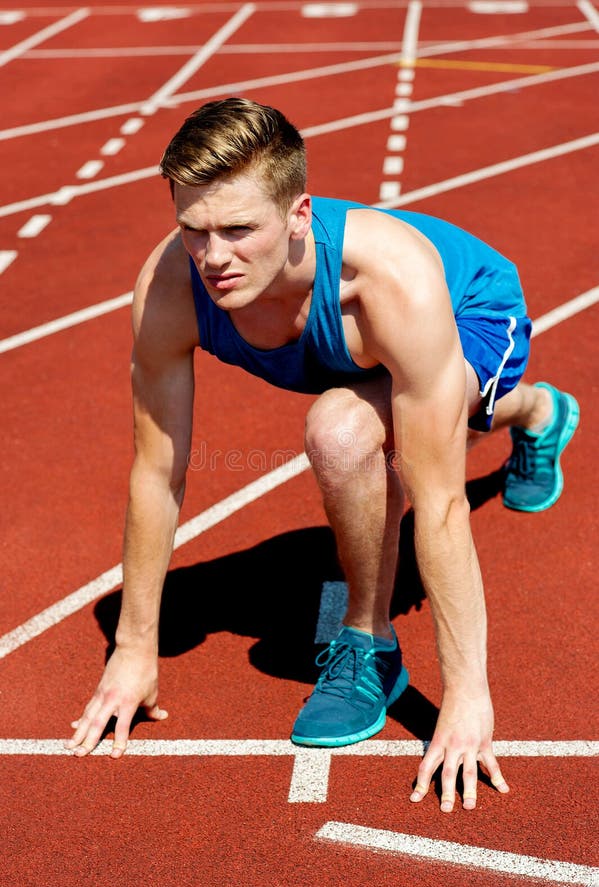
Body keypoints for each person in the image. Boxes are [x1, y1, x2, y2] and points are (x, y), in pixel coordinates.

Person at [66, 98, 579, 813]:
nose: (214, 258)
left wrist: (468, 698)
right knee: (360, 417)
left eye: (239, 230)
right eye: (193, 230)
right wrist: (133, 650)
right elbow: (157, 471)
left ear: (299, 215)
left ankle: (371, 638)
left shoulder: (391, 281)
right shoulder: (172, 286)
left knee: (345, 432)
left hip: (464, 309)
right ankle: (525, 411)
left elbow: (438, 502)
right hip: (343, 344)